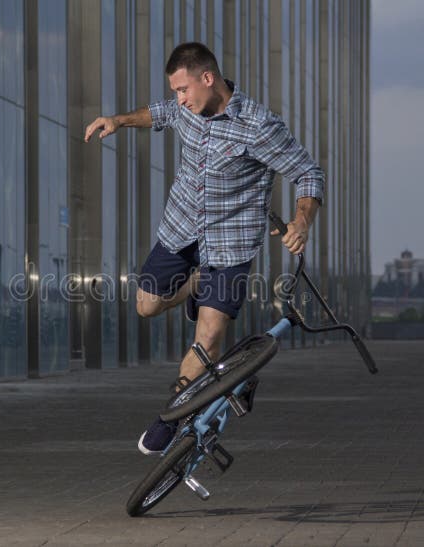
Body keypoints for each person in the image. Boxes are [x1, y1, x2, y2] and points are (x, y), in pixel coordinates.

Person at [84, 42, 324, 455]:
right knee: (146, 306)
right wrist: (118, 120)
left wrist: (302, 221)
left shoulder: (259, 126)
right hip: (181, 229)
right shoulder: (186, 108)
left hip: (230, 245)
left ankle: (170, 417)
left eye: (183, 89)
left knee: (208, 337)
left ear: (207, 78)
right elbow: (161, 113)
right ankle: (195, 285)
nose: (179, 99)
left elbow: (308, 172)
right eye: (175, 91)